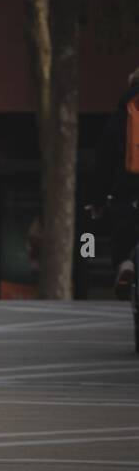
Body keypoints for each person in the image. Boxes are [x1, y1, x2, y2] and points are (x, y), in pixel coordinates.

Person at [87, 66, 139, 298]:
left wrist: (97, 200)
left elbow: (103, 164)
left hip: (126, 191)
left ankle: (125, 265)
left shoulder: (120, 117)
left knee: (124, 244)